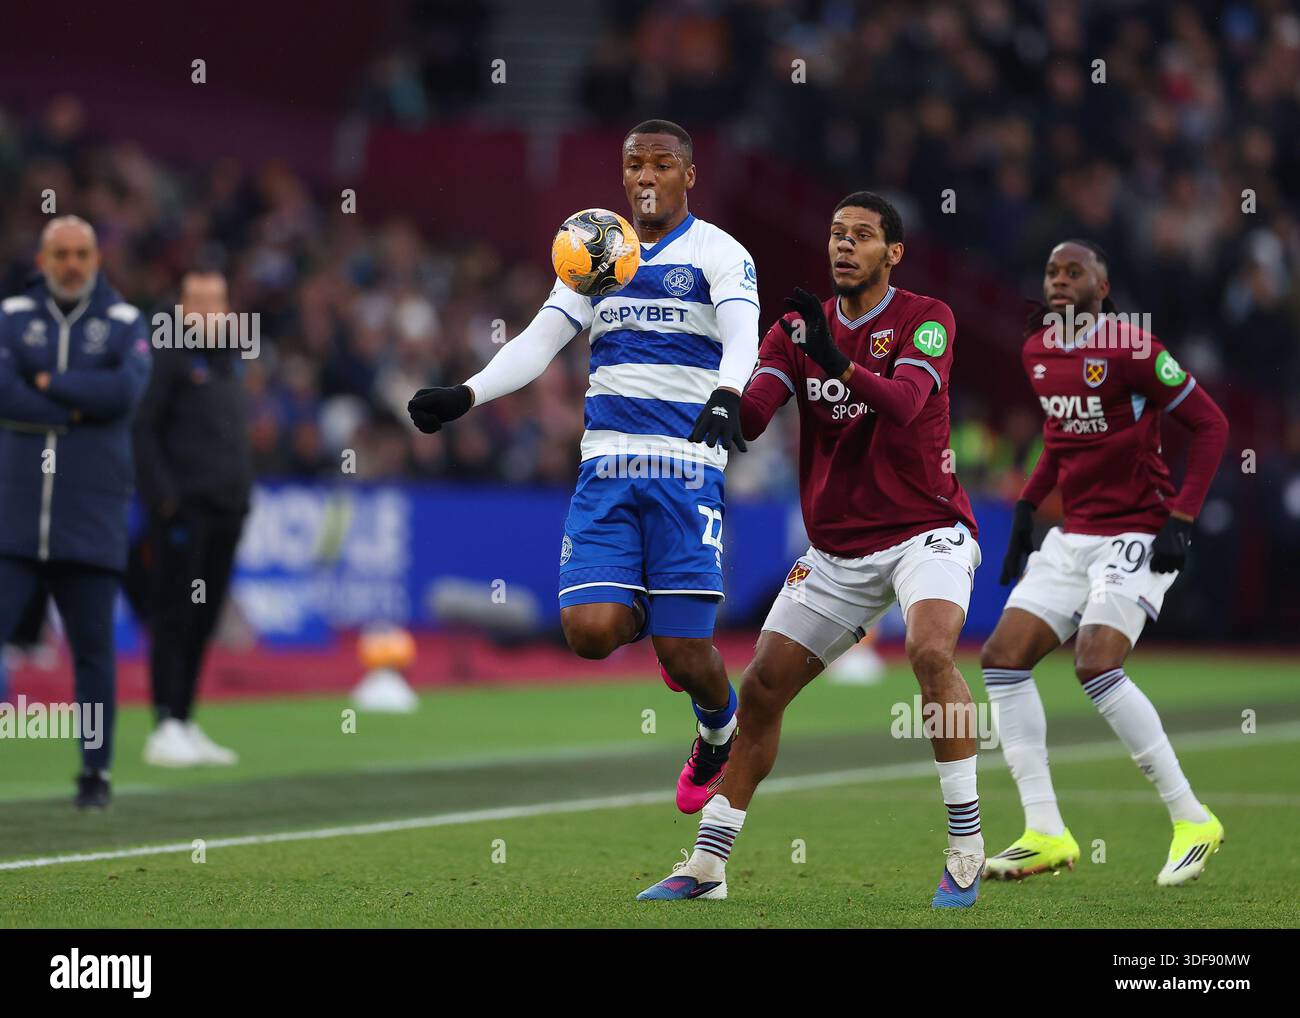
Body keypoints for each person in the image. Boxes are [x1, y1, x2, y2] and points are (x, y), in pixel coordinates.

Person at [638, 192, 986, 908]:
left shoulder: (928, 318)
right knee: (762, 687)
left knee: (929, 653)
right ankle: (707, 865)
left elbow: (906, 406)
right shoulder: (795, 330)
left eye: (862, 235)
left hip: (929, 529)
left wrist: (840, 364)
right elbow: (758, 412)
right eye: (836, 233)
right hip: (837, 551)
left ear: (893, 254)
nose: (844, 245)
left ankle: (965, 846)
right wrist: (723, 401)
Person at [407, 120, 759, 809]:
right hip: (606, 467)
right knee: (590, 633)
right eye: (635, 165)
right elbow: (538, 344)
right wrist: (466, 394)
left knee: (688, 657)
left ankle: (719, 735)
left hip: (686, 470)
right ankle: (654, 622)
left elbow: (744, 336)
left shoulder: (722, 253)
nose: (647, 177)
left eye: (662, 164)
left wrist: (727, 394)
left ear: (689, 175)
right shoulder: (599, 251)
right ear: (624, 176)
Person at [981, 239, 1229, 886]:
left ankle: (1191, 816)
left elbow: (1211, 426)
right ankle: (1046, 831)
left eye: (1074, 272)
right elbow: (1060, 441)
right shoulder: (1037, 351)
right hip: (1074, 534)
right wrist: (1027, 512)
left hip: (1139, 531)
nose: (1060, 281)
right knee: (1002, 660)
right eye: (1052, 272)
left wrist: (1181, 519)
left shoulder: (1133, 347)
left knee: (1095, 662)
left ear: (1102, 283)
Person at [0, 215, 151, 807]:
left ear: (96, 261)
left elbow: (123, 395)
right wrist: (76, 403)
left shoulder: (123, 320)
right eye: (59, 254)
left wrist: (39, 383)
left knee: (92, 652)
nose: (70, 264)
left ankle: (95, 775)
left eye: (81, 254)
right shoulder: (11, 317)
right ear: (42, 261)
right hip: (11, 521)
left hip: (89, 519)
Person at [132, 270, 251, 766]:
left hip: (227, 507)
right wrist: (164, 499)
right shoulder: (165, 352)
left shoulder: (228, 358)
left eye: (217, 301)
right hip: (184, 510)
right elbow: (143, 427)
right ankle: (163, 724)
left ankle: (184, 717)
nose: (210, 310)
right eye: (199, 300)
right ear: (180, 306)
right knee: (175, 616)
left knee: (204, 620)